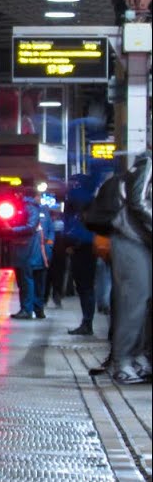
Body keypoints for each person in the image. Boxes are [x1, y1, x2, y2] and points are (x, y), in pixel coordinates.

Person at [85, 152, 152, 384]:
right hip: (131, 238)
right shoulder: (148, 164)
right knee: (134, 301)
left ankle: (139, 358)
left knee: (144, 303)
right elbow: (138, 201)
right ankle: (122, 362)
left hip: (143, 239)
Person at [62, 174, 98, 335]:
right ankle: (87, 322)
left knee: (85, 287)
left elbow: (78, 229)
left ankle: (87, 323)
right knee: (84, 287)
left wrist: (72, 243)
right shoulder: (88, 204)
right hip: (83, 247)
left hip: (83, 248)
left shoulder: (82, 204)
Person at [9, 191, 51, 320]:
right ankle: (38, 310)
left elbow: (30, 227)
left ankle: (26, 310)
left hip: (27, 251)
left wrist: (12, 230)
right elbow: (49, 231)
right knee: (39, 282)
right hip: (41, 252)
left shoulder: (26, 207)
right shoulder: (42, 210)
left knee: (26, 281)